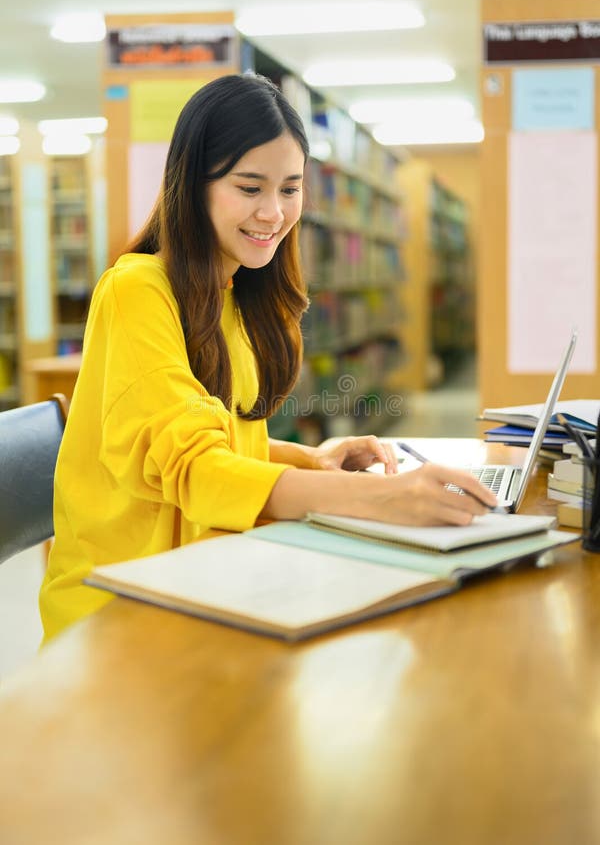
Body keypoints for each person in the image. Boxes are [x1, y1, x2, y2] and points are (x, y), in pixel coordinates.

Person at [39, 72, 496, 642]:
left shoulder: (236, 293)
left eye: (290, 188)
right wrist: (376, 497)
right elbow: (192, 469)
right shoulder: (136, 290)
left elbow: (219, 438)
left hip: (205, 576)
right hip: (122, 611)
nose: (274, 213)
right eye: (249, 187)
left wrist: (311, 463)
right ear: (193, 183)